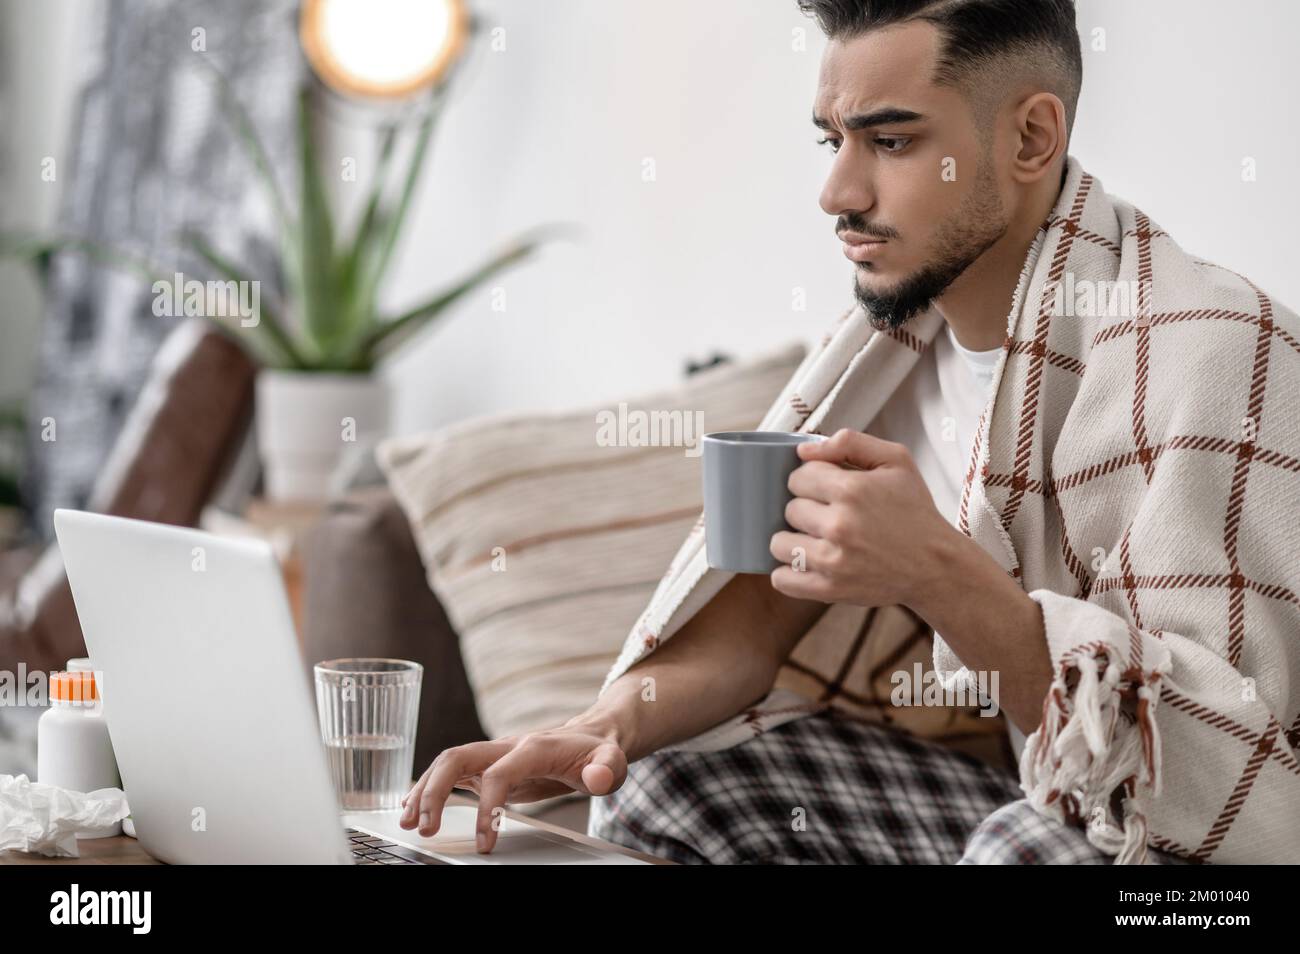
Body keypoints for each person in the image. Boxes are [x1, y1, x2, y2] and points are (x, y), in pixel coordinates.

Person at [399, 0, 1300, 864]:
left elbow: (1228, 782)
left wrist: (935, 572)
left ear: (1032, 137)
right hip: (1031, 802)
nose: (837, 191)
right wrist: (596, 729)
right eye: (835, 141)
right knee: (671, 781)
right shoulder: (884, 355)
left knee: (1020, 850)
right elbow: (751, 619)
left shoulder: (1212, 352)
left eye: (893, 140)